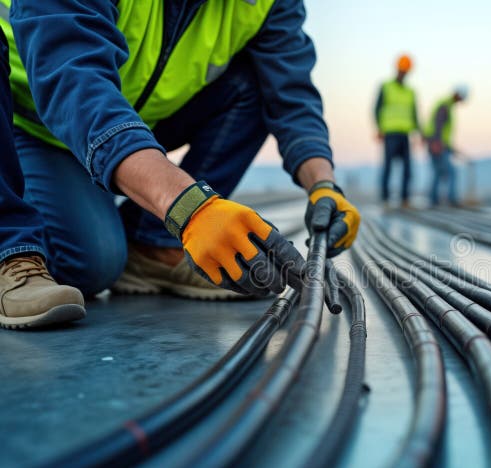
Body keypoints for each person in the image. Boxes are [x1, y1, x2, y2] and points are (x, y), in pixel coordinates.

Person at [0, 0, 360, 329]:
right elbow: (73, 79)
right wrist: (189, 208)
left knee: (255, 83)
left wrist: (323, 185)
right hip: (24, 120)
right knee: (91, 265)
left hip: (119, 119)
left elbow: (289, 94)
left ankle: (152, 244)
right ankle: (8, 247)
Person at [0, 27, 85, 329]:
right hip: (20, 114)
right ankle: (9, 248)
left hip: (65, 132)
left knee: (92, 264)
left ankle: (148, 241)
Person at [375, 54, 419, 208]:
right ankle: (385, 199)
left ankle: (405, 199)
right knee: (388, 166)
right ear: (397, 69)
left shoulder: (410, 91)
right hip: (390, 133)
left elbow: (414, 114)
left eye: (405, 71)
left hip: (405, 134)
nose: (403, 73)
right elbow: (377, 109)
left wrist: (417, 132)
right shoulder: (386, 86)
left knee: (407, 168)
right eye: (402, 70)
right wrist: (379, 128)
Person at [425, 86, 469, 206]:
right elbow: (438, 124)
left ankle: (433, 199)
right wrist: (437, 142)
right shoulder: (445, 106)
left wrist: (449, 147)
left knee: (438, 172)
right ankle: (451, 198)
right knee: (452, 172)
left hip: (438, 144)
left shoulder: (446, 105)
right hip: (438, 145)